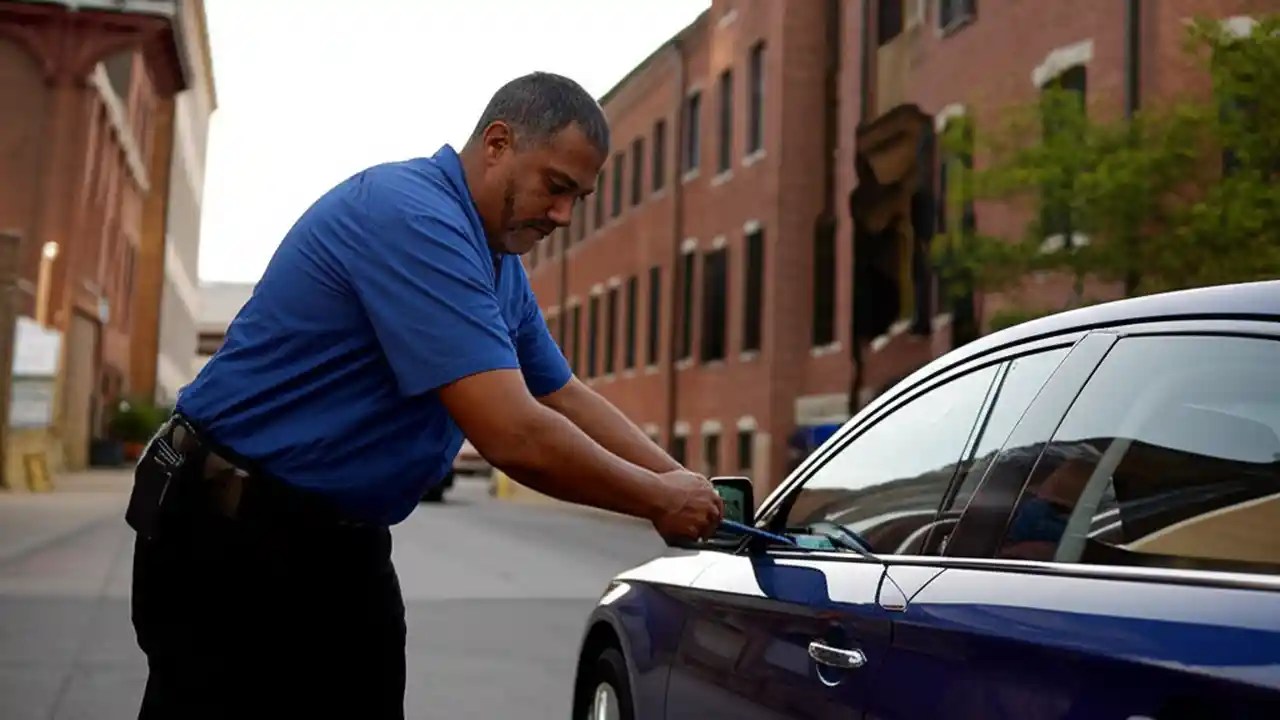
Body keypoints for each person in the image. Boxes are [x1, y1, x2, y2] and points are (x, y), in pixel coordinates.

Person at [125, 71, 724, 720]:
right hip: (231, 535)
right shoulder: (411, 216)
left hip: (339, 543)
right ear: (497, 143)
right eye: (556, 187)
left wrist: (683, 481)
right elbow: (513, 433)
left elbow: (562, 394)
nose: (563, 216)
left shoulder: (495, 262)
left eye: (578, 197)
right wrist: (657, 500)